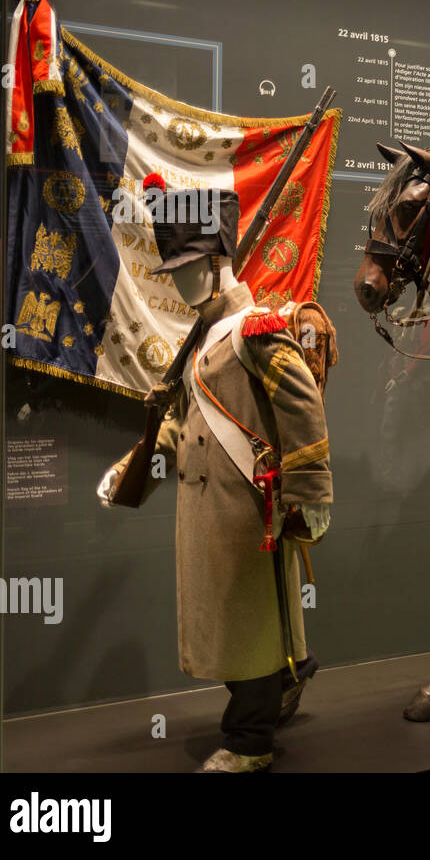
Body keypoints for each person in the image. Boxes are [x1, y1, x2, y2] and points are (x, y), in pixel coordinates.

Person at [96, 188, 332, 772]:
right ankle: (289, 673)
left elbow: (302, 408)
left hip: (245, 513)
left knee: (240, 617)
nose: (179, 283)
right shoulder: (201, 342)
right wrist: (132, 471)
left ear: (218, 262)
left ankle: (251, 739)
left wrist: (311, 495)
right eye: (173, 271)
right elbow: (178, 426)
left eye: (190, 268)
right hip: (208, 511)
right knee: (230, 619)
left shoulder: (253, 330)